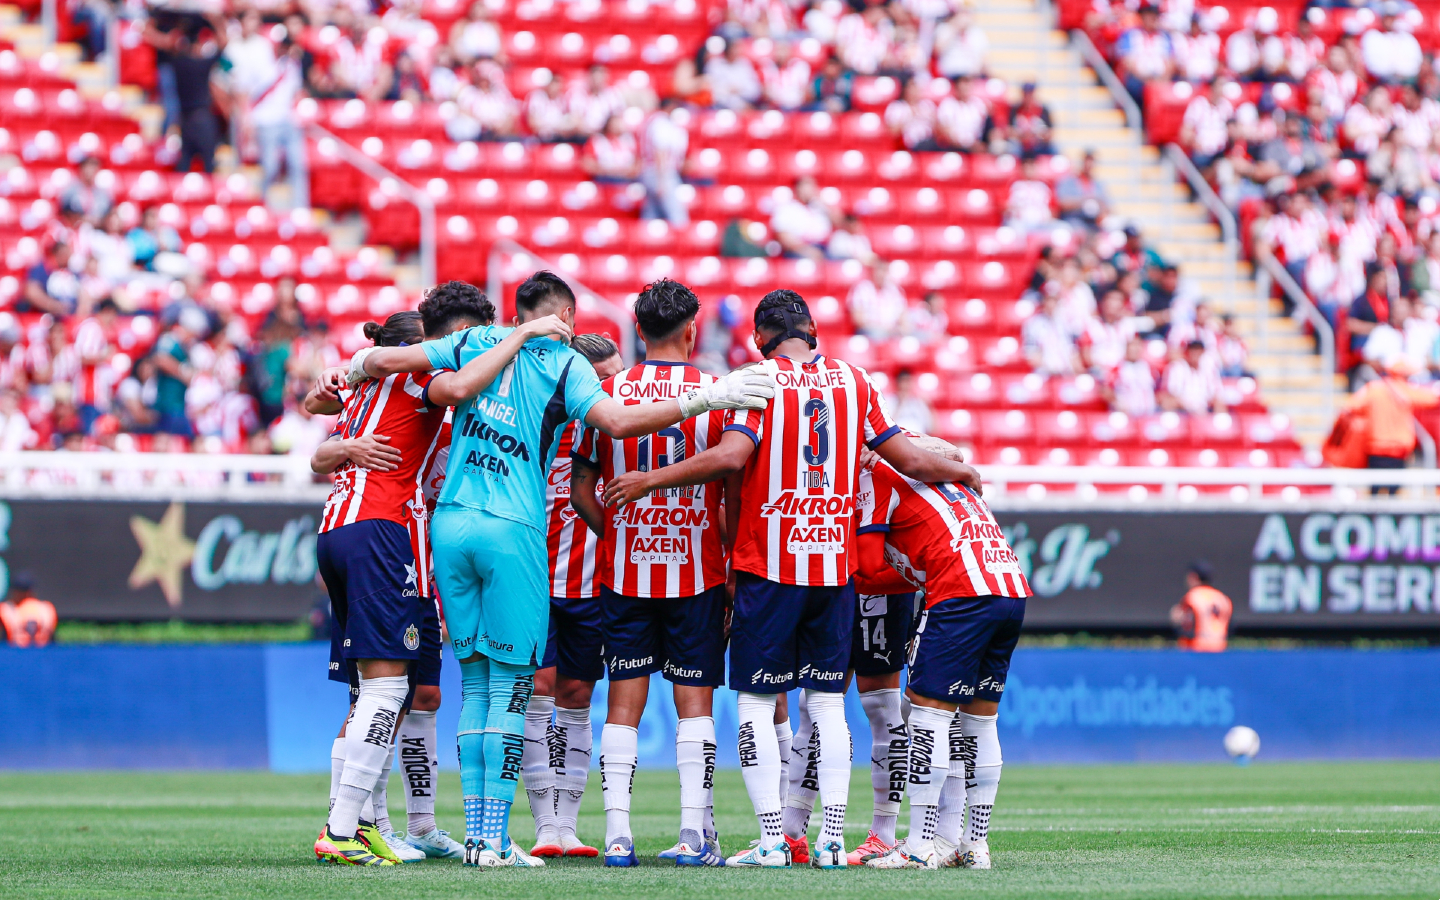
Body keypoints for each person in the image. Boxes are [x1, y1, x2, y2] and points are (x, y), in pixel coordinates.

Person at [347, 271, 774, 868]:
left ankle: (478, 840)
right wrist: (705, 398)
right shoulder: (568, 365)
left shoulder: (475, 341)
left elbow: (385, 359)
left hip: (450, 523)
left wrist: (350, 368)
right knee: (513, 687)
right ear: (567, 317)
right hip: (511, 529)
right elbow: (618, 423)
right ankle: (492, 840)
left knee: (475, 686)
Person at [601, 289, 981, 868]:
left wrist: (650, 482)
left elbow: (731, 458)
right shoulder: (855, 381)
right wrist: (963, 470)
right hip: (833, 569)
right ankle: (831, 839)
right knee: (827, 704)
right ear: (812, 330)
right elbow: (909, 459)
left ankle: (774, 839)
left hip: (769, 566)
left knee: (757, 702)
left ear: (759, 338)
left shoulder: (754, 380)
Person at [569, 281, 733, 868]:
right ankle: (692, 836)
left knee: (622, 706)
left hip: (626, 572)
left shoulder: (607, 394)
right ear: (692, 330)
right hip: (698, 570)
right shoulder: (718, 393)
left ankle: (618, 837)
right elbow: (732, 483)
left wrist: (615, 535)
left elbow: (580, 489)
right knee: (695, 705)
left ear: (637, 330)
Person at [854, 453, 1032, 870]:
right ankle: (974, 845)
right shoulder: (934, 465)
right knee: (980, 722)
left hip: (960, 589)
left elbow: (868, 565)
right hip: (1009, 586)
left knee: (926, 716)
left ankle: (918, 846)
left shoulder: (872, 472)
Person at [523, 334, 624, 860]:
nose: (614, 390)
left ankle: (569, 825)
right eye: (604, 380)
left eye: (618, 377)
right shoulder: (541, 425)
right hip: (536, 583)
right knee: (539, 692)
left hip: (592, 586)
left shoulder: (619, 435)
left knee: (578, 697)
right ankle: (545, 826)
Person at [1342, 355, 1440, 494]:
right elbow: (1433, 399)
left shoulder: (1374, 389)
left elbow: (1351, 406)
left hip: (1376, 447)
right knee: (1394, 493)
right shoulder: (1407, 391)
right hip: (1398, 449)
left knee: (1375, 491)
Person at [1170, 561, 1231, 653]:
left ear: (1193, 577)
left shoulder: (1192, 596)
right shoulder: (1222, 598)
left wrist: (1176, 617)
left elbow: (1185, 624)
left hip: (1196, 649)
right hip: (1219, 649)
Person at [0, 573, 57, 648]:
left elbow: (50, 637)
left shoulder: (45, 608)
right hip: (18, 650)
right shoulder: (6, 609)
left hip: (34, 650)